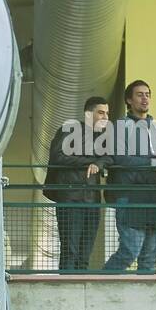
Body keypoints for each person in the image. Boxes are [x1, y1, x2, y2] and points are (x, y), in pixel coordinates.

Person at [103, 80, 156, 273]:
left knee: (150, 257)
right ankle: (98, 286)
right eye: (139, 94)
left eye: (148, 94)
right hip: (129, 194)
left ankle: (146, 301)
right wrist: (154, 163)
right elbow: (120, 159)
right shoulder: (119, 127)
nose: (145, 98)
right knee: (130, 250)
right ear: (129, 100)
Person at [44, 96, 110, 271]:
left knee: (84, 255)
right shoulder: (69, 130)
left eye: (107, 113)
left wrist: (98, 163)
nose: (105, 117)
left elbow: (109, 157)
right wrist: (87, 162)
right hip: (70, 198)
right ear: (88, 114)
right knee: (70, 252)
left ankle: (81, 292)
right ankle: (66, 293)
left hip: (92, 201)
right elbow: (57, 157)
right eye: (101, 113)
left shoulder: (103, 137)